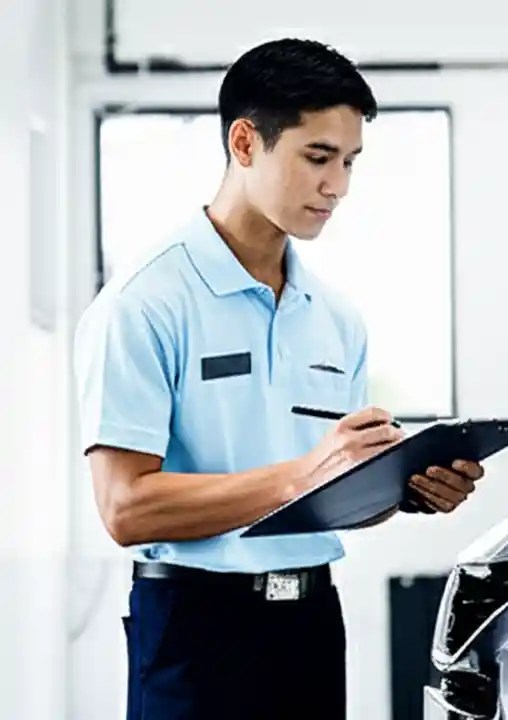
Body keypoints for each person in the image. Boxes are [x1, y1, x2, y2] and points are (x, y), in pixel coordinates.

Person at [72, 38, 481, 720]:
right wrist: (306, 472)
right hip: (194, 630)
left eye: (350, 162)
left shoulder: (336, 319)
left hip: (311, 625)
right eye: (317, 158)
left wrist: (401, 489)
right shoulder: (144, 303)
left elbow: (329, 495)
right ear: (244, 143)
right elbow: (125, 508)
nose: (339, 185)